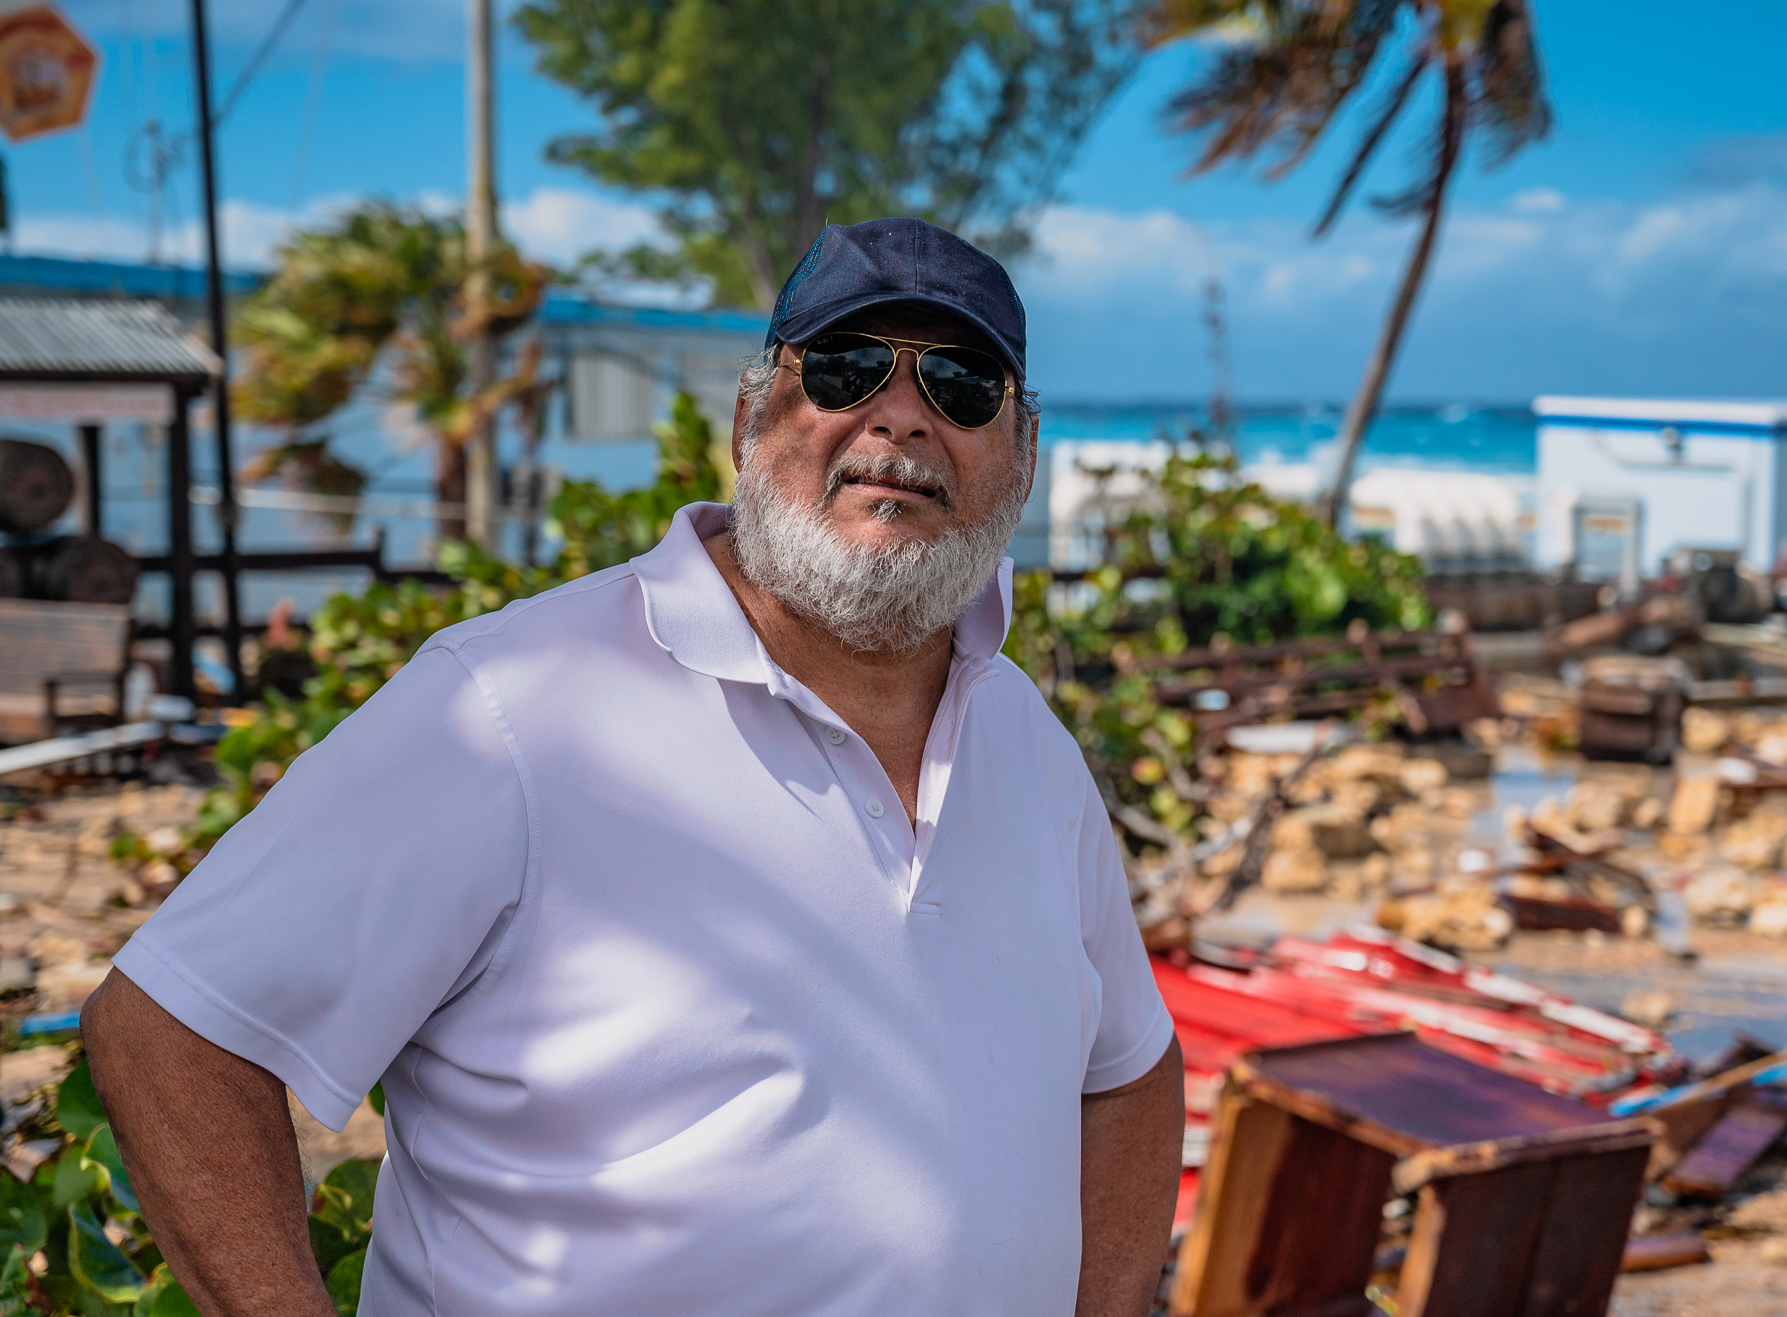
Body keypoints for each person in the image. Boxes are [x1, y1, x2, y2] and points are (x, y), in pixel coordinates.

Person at [81, 217, 1183, 1317]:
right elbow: (172, 1027)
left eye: (961, 384)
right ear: (753, 416)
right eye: (846, 369)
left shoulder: (1026, 742)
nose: (899, 414)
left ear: (1023, 456)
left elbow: (1128, 1071)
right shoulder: (510, 707)